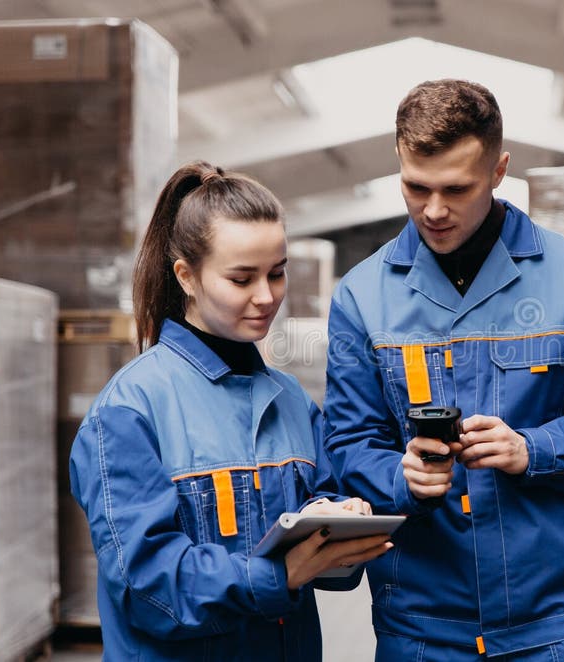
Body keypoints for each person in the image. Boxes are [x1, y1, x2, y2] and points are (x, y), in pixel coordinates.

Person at [323, 79, 564, 660]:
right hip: (422, 627)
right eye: (416, 187)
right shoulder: (361, 297)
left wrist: (534, 450)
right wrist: (399, 477)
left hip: (559, 625)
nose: (433, 210)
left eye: (456, 189)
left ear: (500, 169)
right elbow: (346, 444)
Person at [69, 161, 393, 661]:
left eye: (277, 273)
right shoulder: (129, 412)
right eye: (242, 279)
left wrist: (333, 517)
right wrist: (277, 575)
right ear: (187, 276)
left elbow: (324, 504)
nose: (266, 297)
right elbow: (147, 588)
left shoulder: (291, 402)